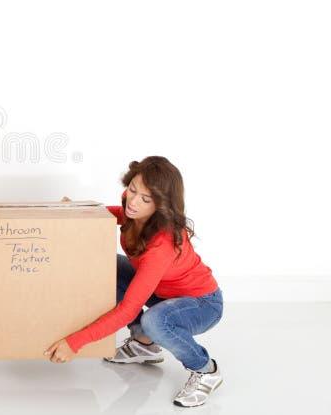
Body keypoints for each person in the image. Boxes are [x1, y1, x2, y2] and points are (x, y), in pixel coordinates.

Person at [43, 157, 223, 408]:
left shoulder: (162, 243)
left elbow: (127, 309)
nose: (133, 202)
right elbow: (111, 214)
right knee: (108, 266)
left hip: (202, 303)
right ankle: (144, 344)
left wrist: (75, 342)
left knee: (155, 321)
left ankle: (206, 370)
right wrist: (78, 210)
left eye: (145, 199)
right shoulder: (134, 215)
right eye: (133, 190)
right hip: (163, 292)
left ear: (161, 206)